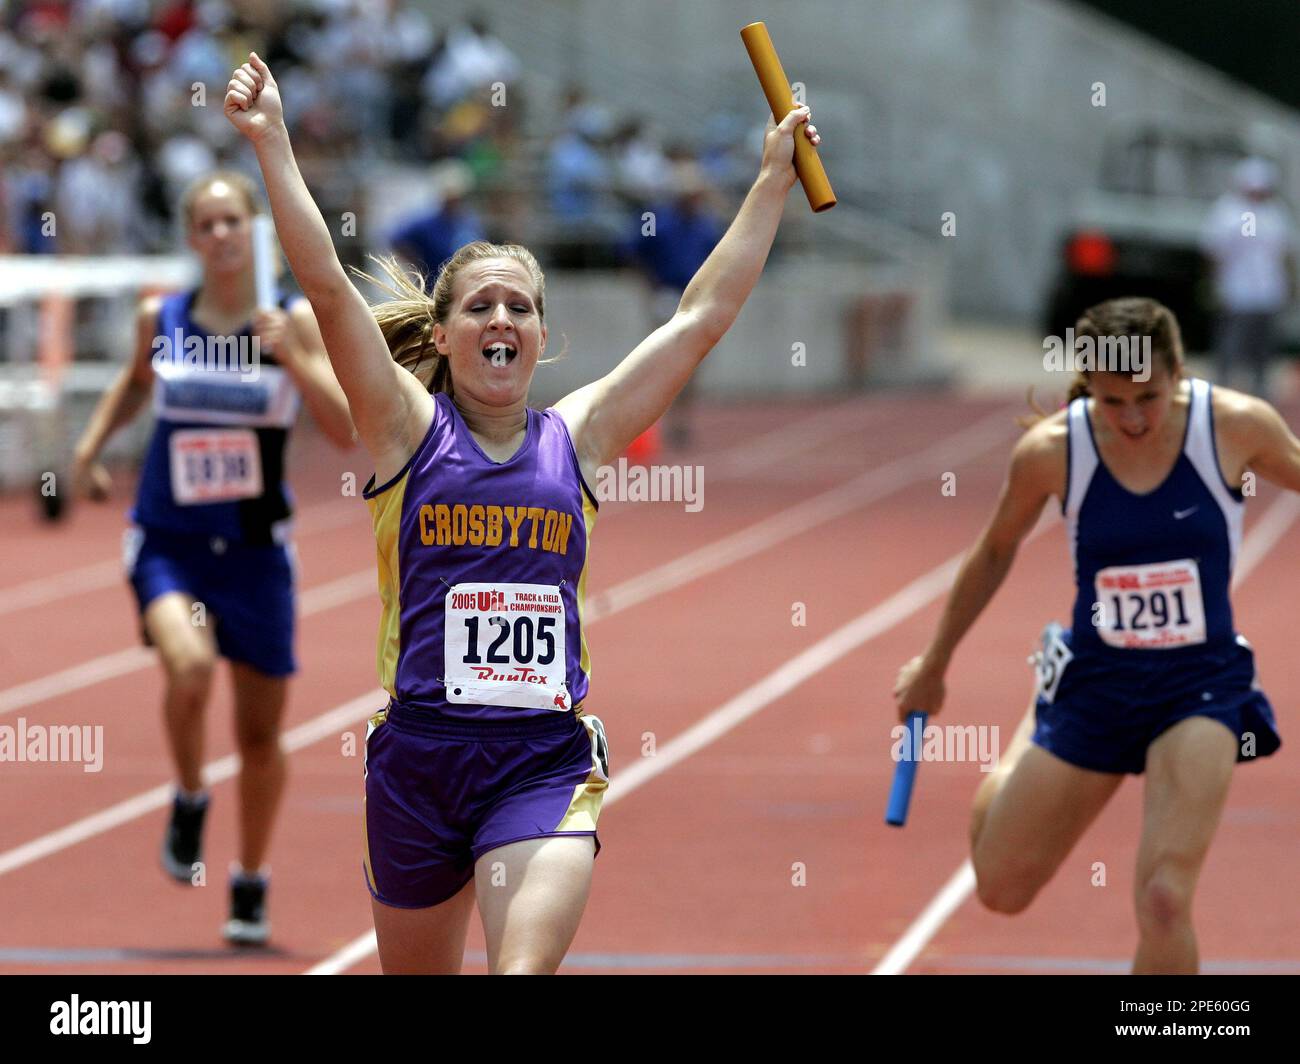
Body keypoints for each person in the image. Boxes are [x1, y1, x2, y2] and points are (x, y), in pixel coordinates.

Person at [223, 52, 820, 974]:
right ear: (448, 329)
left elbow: (700, 316)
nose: (501, 319)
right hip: (418, 763)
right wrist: (273, 145)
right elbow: (331, 290)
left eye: (520, 307)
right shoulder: (402, 432)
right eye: (480, 306)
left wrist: (771, 180)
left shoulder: (575, 438)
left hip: (540, 759)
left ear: (542, 336)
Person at [894, 297, 1296, 974]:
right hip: (1097, 686)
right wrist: (935, 664)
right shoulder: (1053, 453)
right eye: (1114, 401)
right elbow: (994, 551)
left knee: (1165, 897)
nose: (1134, 418)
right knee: (1000, 888)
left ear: (1177, 373)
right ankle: (1038, 710)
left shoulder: (1233, 427)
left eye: (1149, 396)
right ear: (1087, 386)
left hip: (1199, 686)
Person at [71, 169, 356, 945]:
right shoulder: (158, 318)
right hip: (170, 540)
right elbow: (134, 387)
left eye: (234, 221)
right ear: (192, 237)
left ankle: (251, 880)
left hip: (257, 553)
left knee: (260, 737)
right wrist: (92, 449)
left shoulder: (288, 322)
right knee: (189, 666)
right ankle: (192, 793)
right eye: (208, 224)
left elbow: (344, 431)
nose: (222, 235)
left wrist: (291, 360)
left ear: (253, 230)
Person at [1201, 156, 1296, 401]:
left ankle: (1260, 391)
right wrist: (1214, 282)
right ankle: (1222, 387)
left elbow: (1285, 251)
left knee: (1263, 346)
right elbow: (1221, 249)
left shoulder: (1275, 213)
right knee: (1232, 342)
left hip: (1268, 290)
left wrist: (1291, 284)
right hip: (1238, 289)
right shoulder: (1232, 212)